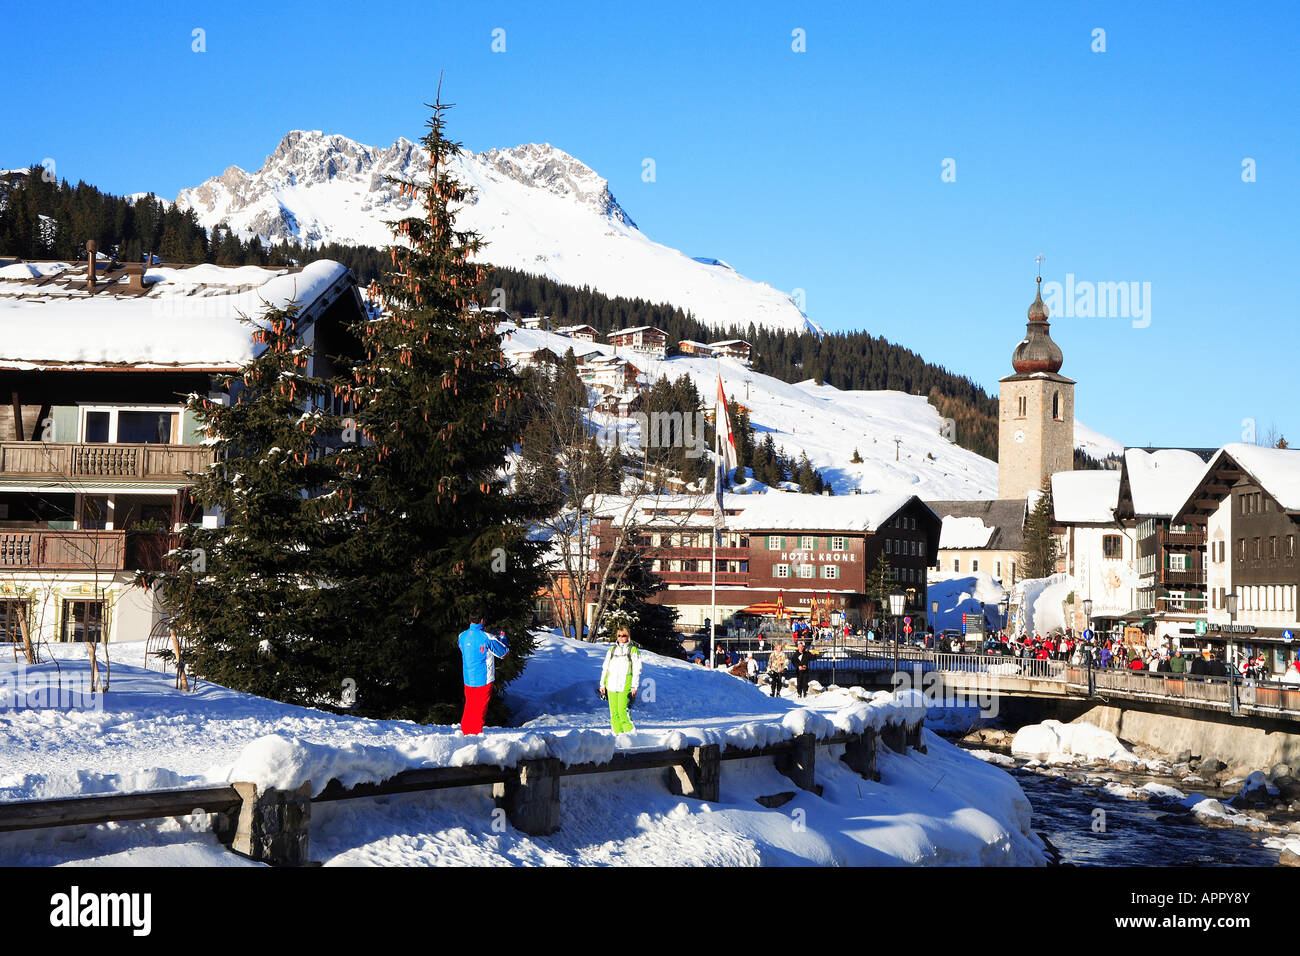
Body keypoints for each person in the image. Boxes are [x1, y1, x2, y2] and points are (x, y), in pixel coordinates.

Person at [457, 607, 509, 736]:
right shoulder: (488, 637)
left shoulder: (462, 636)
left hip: (468, 678)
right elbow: (504, 653)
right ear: (482, 620)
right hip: (483, 679)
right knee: (480, 709)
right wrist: (502, 637)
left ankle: (465, 733)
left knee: (469, 707)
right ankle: (475, 736)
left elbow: (463, 648)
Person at [599, 624, 643, 734]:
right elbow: (605, 668)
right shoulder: (612, 650)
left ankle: (631, 735)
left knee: (622, 711)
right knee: (614, 713)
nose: (621, 638)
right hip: (611, 685)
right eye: (619, 635)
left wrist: (634, 686)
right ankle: (618, 736)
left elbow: (637, 670)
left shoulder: (633, 651)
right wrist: (602, 685)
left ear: (628, 636)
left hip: (625, 685)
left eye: (623, 635)